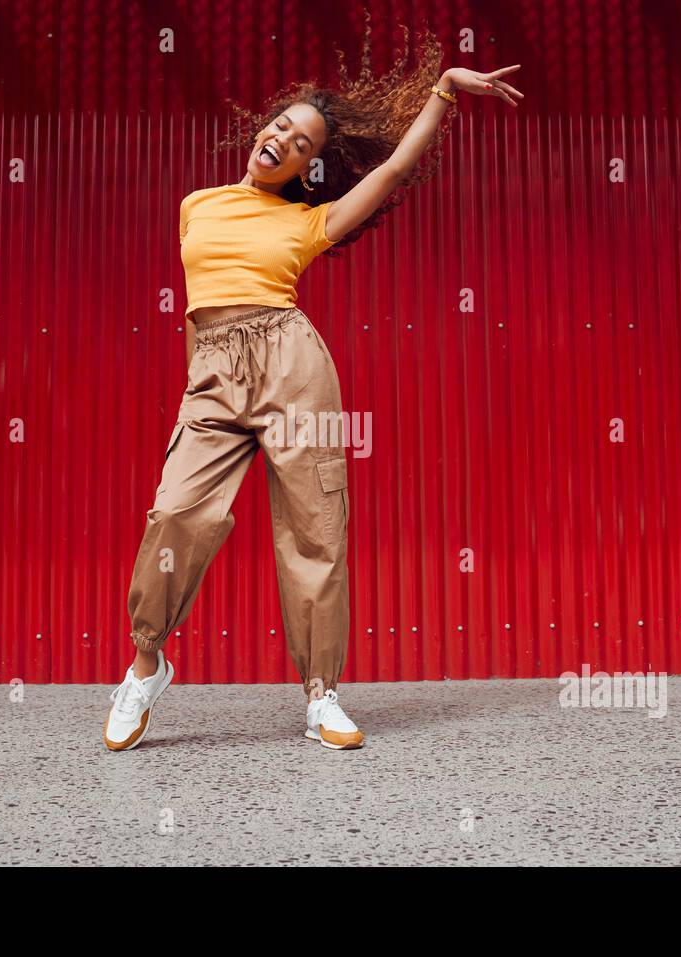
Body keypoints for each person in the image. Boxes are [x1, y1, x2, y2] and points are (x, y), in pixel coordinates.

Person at [106, 25, 522, 752]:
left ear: (309, 168)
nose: (283, 141)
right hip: (212, 374)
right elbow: (195, 305)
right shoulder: (197, 205)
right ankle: (147, 663)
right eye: (281, 127)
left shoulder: (310, 221)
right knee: (176, 513)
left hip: (294, 365)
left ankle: (321, 694)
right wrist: (194, 385)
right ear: (263, 128)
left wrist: (443, 91)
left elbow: (391, 172)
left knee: (315, 531)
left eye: (302, 144)